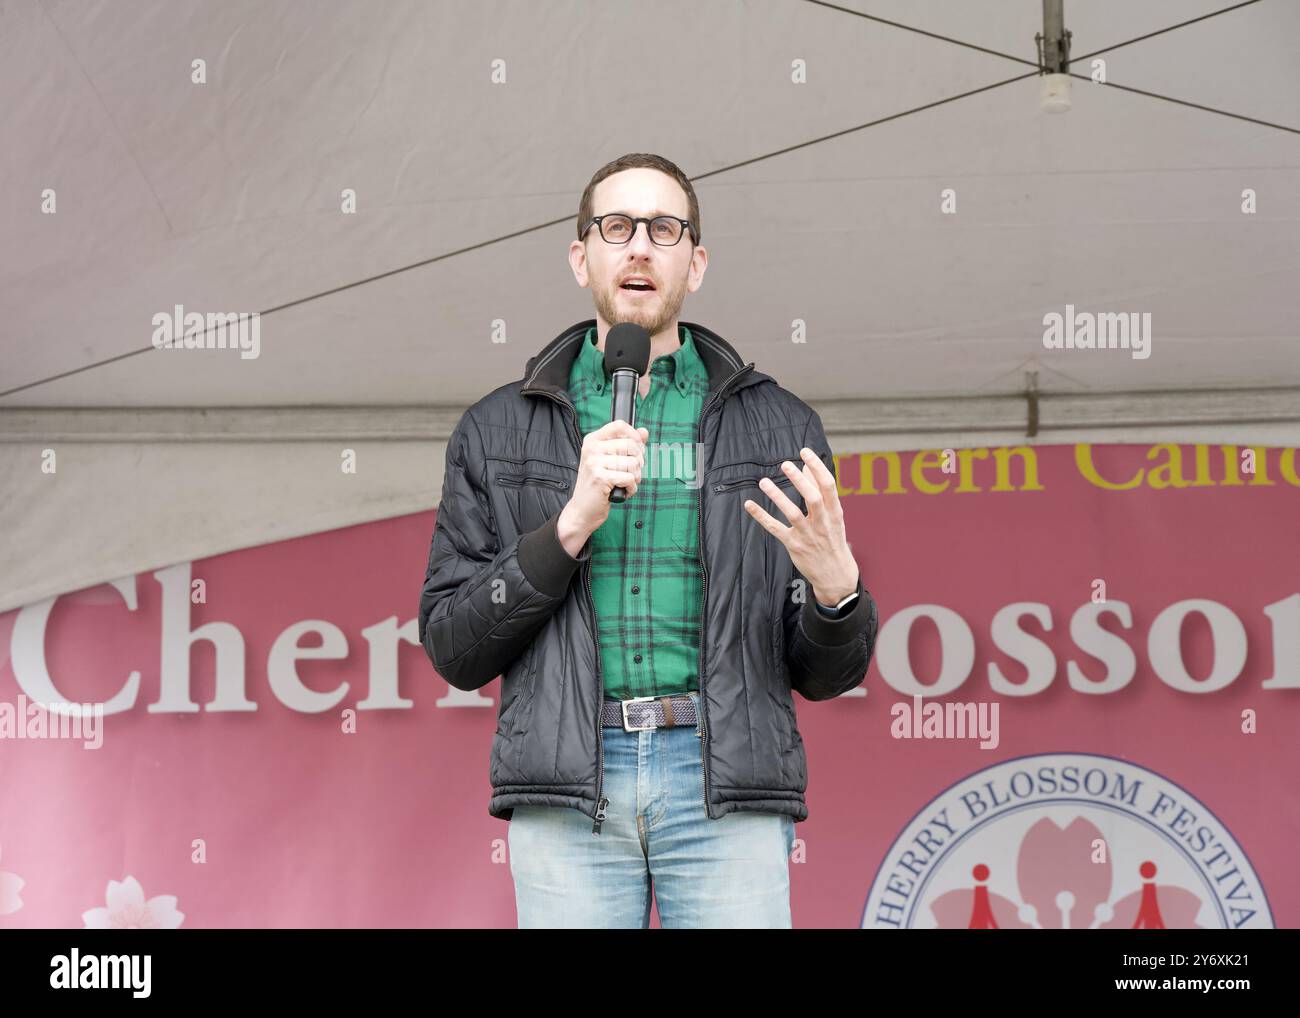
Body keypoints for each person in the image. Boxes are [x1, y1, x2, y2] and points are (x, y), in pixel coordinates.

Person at [418, 152, 878, 928]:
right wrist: (568, 526)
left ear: (694, 265)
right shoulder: (496, 429)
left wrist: (838, 595)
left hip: (723, 781)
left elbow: (824, 675)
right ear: (580, 257)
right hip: (571, 787)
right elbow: (454, 649)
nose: (639, 246)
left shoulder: (779, 426)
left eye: (664, 229)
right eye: (616, 227)